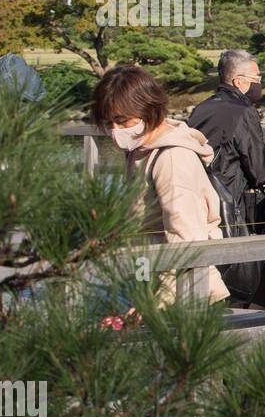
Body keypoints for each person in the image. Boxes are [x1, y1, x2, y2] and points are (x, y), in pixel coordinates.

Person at [91, 65, 228, 303]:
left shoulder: (171, 158)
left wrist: (162, 300)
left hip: (188, 293)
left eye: (122, 121)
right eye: (109, 123)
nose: (115, 130)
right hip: (153, 279)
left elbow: (186, 237)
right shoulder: (139, 150)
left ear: (148, 109)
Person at [189, 49, 265, 305]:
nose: (260, 84)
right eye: (257, 78)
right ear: (240, 81)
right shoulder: (243, 111)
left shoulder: (202, 108)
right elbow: (258, 166)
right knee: (235, 264)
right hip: (230, 201)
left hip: (200, 197)